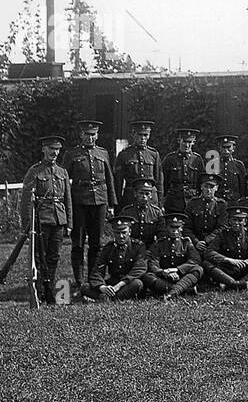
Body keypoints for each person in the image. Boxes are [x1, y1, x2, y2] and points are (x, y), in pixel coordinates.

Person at [65, 118, 117, 291]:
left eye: (93, 134)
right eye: (87, 134)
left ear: (97, 135)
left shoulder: (103, 153)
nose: (90, 138)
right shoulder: (71, 154)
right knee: (78, 242)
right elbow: (64, 181)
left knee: (97, 243)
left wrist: (111, 203)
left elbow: (109, 179)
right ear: (81, 135)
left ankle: (94, 278)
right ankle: (79, 280)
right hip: (79, 201)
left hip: (100, 201)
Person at [21, 133, 72, 306]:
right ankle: (39, 291)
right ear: (44, 149)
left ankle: (50, 290)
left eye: (58, 149)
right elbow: (26, 201)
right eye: (52, 149)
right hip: (41, 220)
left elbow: (68, 200)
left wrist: (69, 223)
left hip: (59, 219)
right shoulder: (34, 171)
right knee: (39, 257)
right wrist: (27, 225)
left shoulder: (62, 172)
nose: (55, 153)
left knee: (54, 257)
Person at [203, 203, 248, 291]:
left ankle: (239, 283)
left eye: (240, 220)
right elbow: (208, 252)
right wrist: (228, 260)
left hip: (246, 269)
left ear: (245, 222)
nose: (236, 223)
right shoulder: (223, 234)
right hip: (228, 269)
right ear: (229, 221)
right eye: (234, 219)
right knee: (206, 263)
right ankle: (234, 283)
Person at [82, 212, 146, 302]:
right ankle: (109, 298)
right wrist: (102, 287)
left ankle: (104, 299)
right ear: (113, 233)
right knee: (85, 287)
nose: (121, 236)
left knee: (138, 284)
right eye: (117, 233)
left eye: (124, 233)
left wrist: (119, 286)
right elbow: (97, 271)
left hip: (127, 283)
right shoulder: (109, 248)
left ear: (130, 232)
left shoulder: (138, 246)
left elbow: (140, 269)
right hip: (113, 283)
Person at [141, 212, 204, 301]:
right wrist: (164, 272)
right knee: (147, 276)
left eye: (177, 227)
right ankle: (185, 290)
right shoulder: (159, 243)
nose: (174, 230)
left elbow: (195, 259)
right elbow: (152, 262)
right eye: (172, 227)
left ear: (181, 228)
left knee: (198, 269)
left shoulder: (186, 242)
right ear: (166, 228)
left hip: (182, 277)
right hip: (164, 278)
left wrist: (177, 270)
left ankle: (171, 293)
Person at [115, 118, 163, 208]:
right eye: (140, 135)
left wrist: (160, 203)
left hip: (150, 199)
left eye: (145, 135)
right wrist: (118, 204)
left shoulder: (154, 154)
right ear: (134, 135)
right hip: (131, 198)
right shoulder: (124, 154)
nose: (143, 138)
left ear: (149, 136)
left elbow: (159, 181)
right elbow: (118, 182)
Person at [162, 127, 205, 215]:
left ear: (193, 142)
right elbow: (163, 181)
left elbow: (202, 181)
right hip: (174, 201)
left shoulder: (197, 159)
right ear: (179, 140)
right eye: (184, 141)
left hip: (192, 201)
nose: (187, 145)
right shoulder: (170, 159)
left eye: (190, 142)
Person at [118, 178, 165, 247]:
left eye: (147, 194)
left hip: (149, 249)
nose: (144, 197)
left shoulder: (157, 213)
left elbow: (161, 236)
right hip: (131, 249)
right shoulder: (127, 212)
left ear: (151, 195)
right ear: (135, 194)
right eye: (141, 193)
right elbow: (121, 235)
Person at [186, 173, 228, 247]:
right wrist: (196, 241)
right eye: (206, 186)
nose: (208, 190)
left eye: (211, 187)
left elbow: (222, 227)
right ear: (201, 187)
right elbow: (187, 227)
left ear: (216, 188)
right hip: (195, 243)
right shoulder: (192, 203)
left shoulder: (221, 204)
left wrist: (207, 241)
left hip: (214, 243)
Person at [214, 134, 248, 203]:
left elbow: (243, 186)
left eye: (228, 147)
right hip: (218, 201)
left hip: (234, 201)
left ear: (233, 148)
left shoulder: (239, 165)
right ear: (219, 148)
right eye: (223, 147)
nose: (226, 150)